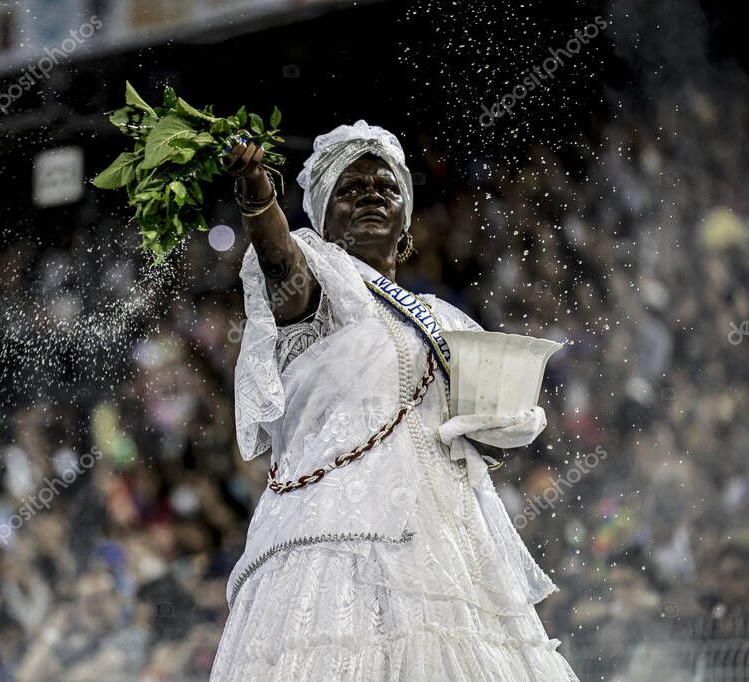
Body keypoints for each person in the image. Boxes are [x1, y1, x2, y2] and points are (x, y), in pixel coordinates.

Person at [209, 121, 578, 680]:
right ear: (323, 216)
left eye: (386, 187)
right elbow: (280, 259)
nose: (372, 196)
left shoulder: (445, 319)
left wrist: (509, 424)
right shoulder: (320, 281)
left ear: (406, 215)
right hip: (333, 536)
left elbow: (479, 423)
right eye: (351, 190)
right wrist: (259, 198)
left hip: (444, 535)